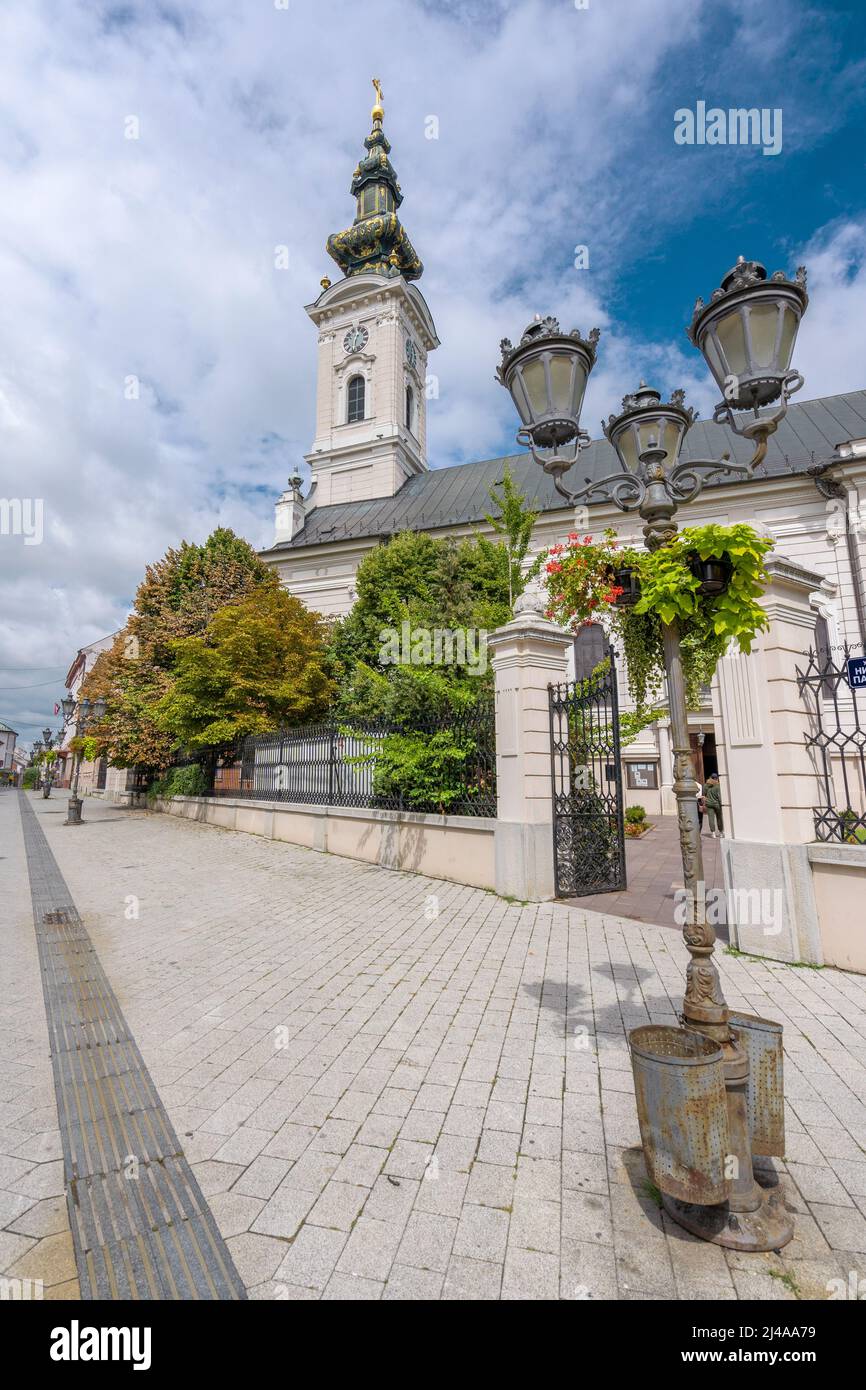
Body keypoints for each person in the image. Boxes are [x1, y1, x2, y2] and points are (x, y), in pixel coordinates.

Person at [704, 773, 723, 837]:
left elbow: (704, 794)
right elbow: (719, 796)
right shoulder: (718, 786)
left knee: (711, 818)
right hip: (717, 804)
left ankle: (713, 833)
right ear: (717, 778)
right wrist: (721, 804)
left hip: (709, 804)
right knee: (719, 818)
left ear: (711, 777)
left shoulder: (706, 785)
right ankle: (721, 832)